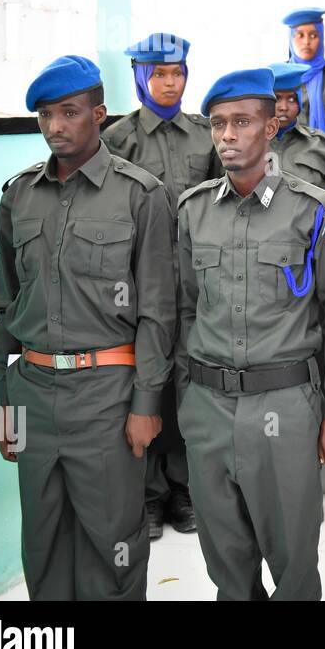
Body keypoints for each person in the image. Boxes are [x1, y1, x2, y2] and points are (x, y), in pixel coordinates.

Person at [0, 55, 175, 599]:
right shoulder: (18, 195)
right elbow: (5, 306)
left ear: (100, 114)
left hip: (107, 397)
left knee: (111, 540)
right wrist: (5, 403)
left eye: (69, 112)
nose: (55, 127)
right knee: (43, 543)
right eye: (46, 115)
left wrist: (147, 406)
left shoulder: (140, 195)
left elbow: (158, 312)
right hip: (34, 394)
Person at [176, 67, 325, 599]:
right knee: (225, 561)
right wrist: (188, 400)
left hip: (283, 405)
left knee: (294, 562)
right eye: (218, 125)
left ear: (271, 126)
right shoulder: (192, 212)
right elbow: (185, 310)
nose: (228, 136)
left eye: (241, 122)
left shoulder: (316, 211)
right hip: (208, 407)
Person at [101, 32, 214, 540]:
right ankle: (148, 494)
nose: (170, 83)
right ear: (141, 77)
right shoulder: (117, 139)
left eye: (178, 73)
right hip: (137, 286)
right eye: (160, 74)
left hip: (196, 284)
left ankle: (185, 488)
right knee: (145, 379)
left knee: (190, 380)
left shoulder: (206, 134)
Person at [267, 62, 325, 189]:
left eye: (292, 99)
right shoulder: (247, 146)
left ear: (299, 103)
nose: (284, 107)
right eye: (277, 98)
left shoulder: (324, 147)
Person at [283, 7, 325, 150]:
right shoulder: (281, 78)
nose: (306, 42)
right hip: (289, 158)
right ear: (291, 38)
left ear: (321, 38)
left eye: (313, 35)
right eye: (300, 35)